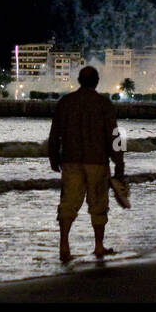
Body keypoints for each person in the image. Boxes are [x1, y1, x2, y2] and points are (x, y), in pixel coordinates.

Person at [47, 65, 125, 262]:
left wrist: (53, 157)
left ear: (79, 80)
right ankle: (98, 246)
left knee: (68, 204)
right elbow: (115, 135)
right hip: (97, 161)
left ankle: (64, 246)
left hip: (71, 160)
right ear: (96, 82)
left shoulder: (65, 103)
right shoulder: (104, 104)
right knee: (98, 205)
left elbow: (54, 133)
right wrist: (119, 162)